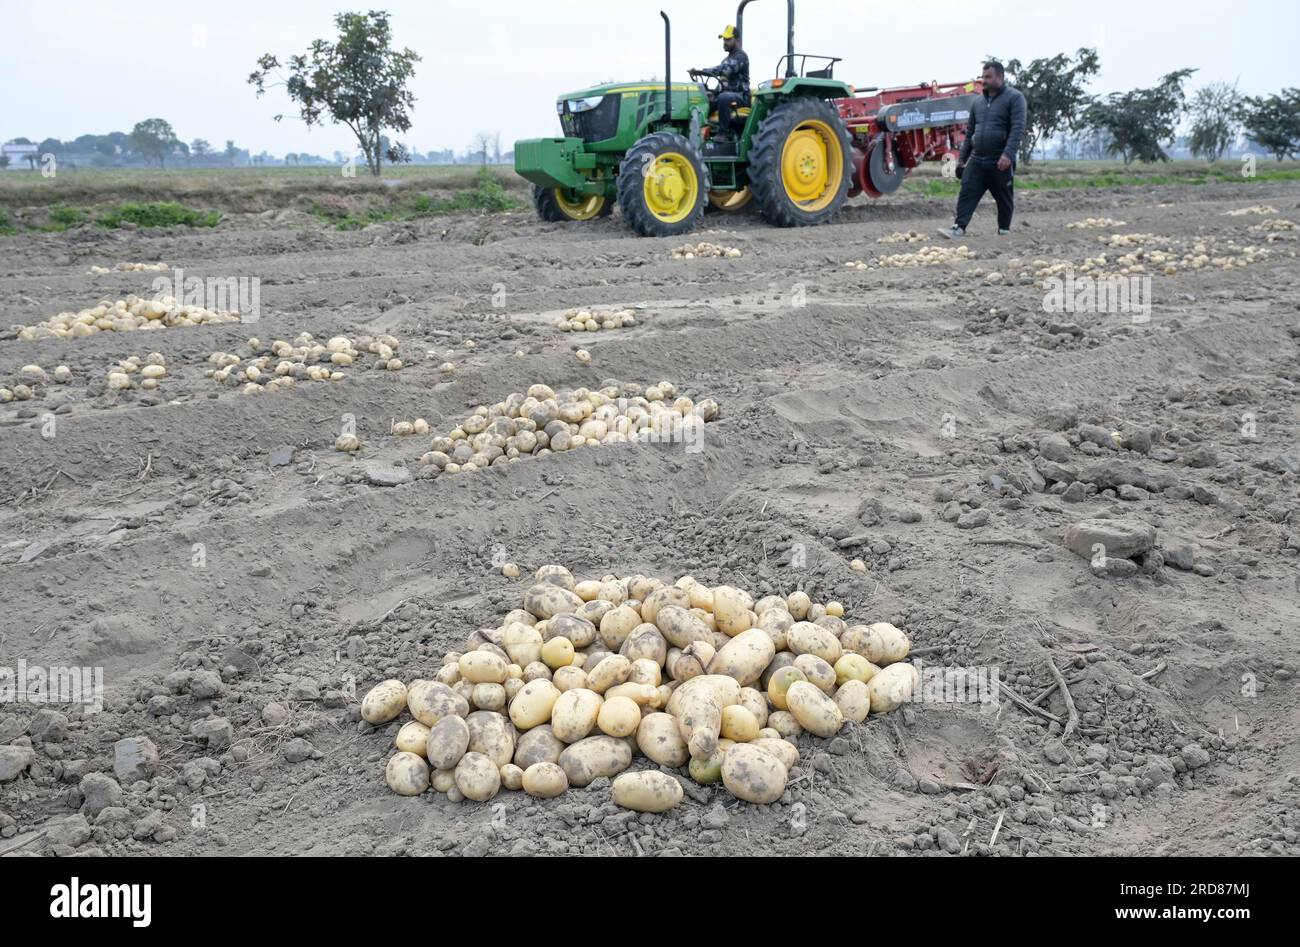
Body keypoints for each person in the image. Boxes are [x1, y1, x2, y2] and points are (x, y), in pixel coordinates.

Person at [940, 61, 1027, 239]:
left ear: (1000, 78)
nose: (984, 80)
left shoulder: (1015, 98)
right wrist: (962, 159)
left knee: (1003, 198)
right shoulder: (977, 102)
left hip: (1000, 160)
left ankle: (1004, 230)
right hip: (977, 159)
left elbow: (1017, 128)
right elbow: (970, 131)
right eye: (983, 76)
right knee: (967, 191)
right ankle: (959, 227)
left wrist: (1008, 154)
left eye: (988, 77)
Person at [689, 25, 750, 141]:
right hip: (729, 96)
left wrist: (702, 72)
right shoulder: (726, 59)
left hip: (741, 96)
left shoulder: (741, 57)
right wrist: (712, 94)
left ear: (736, 40)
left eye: (728, 39)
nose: (725, 42)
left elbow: (724, 69)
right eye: (724, 39)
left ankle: (724, 134)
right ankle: (698, 132)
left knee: (724, 98)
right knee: (703, 99)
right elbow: (723, 82)